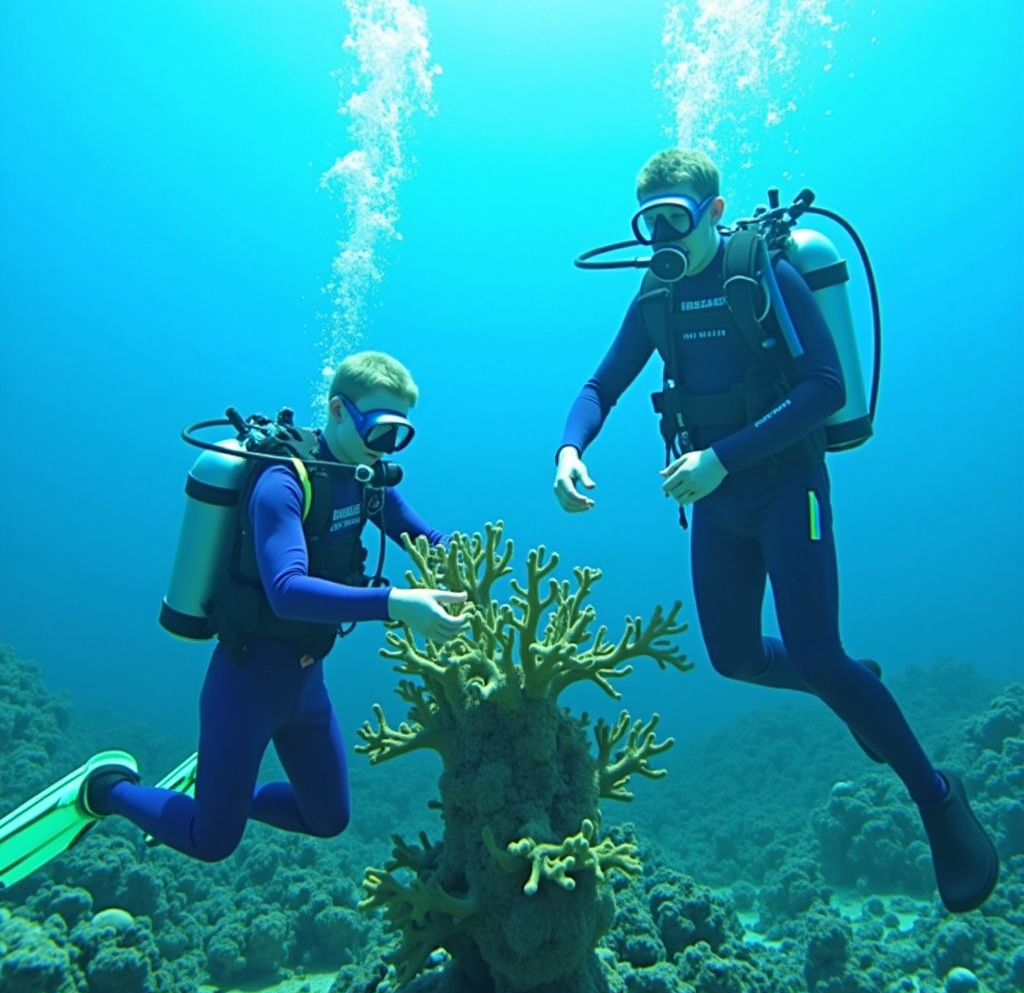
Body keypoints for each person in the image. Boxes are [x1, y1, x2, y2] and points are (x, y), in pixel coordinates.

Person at [552, 147, 998, 914]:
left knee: (819, 653)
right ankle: (856, 686)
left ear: (715, 213)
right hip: (717, 502)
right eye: (649, 219)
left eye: (676, 217)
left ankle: (936, 797)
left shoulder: (760, 274)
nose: (661, 233)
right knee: (732, 657)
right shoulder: (656, 293)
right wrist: (568, 448)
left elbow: (825, 387)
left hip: (789, 488)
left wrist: (722, 459)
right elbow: (602, 384)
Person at [0, 351, 466, 884]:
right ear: (338, 411)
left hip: (308, 682)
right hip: (247, 680)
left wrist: (473, 560)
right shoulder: (283, 482)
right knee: (211, 840)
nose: (388, 450)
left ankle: (222, 795)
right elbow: (287, 591)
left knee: (328, 819)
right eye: (381, 430)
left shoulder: (366, 479)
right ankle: (107, 789)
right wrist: (395, 604)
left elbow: (423, 535)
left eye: (401, 435)